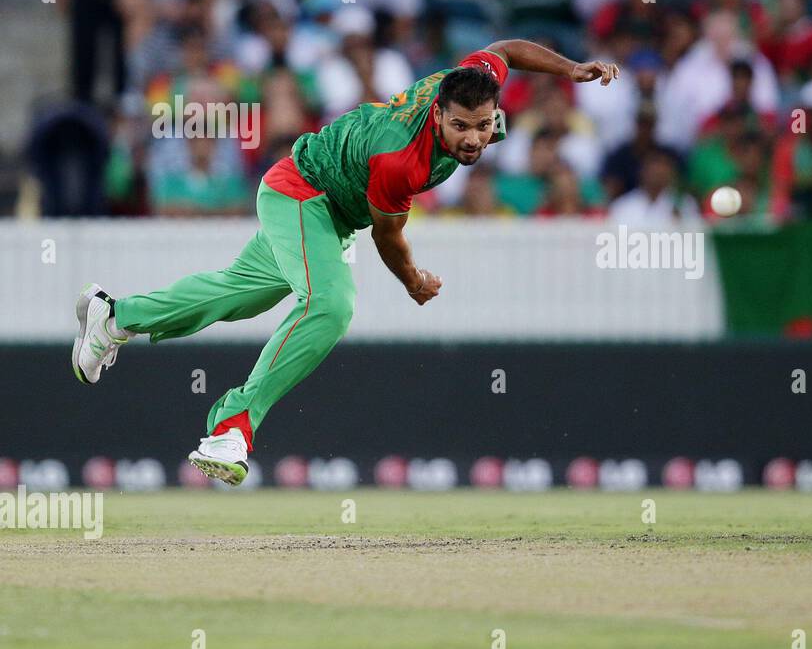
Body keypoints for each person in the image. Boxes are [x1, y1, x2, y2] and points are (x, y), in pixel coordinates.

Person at [71, 41, 618, 486]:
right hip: (302, 193)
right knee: (331, 306)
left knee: (239, 294)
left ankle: (114, 316)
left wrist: (572, 69)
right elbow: (387, 235)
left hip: (330, 208)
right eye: (461, 128)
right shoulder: (400, 157)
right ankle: (231, 426)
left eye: (484, 126)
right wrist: (413, 280)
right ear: (437, 115)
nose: (474, 140)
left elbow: (506, 48)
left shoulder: (471, 85)